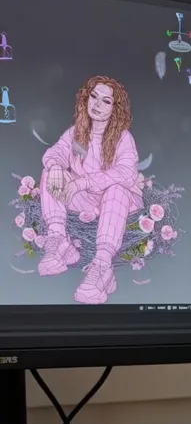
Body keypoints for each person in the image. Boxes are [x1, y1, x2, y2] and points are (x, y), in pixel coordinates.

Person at [38, 75, 143, 304]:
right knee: (51, 172)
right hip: (85, 201)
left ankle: (102, 266)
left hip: (117, 204)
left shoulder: (123, 138)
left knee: (116, 189)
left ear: (115, 108)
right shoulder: (77, 133)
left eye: (106, 101)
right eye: (93, 97)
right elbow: (56, 152)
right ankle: (58, 240)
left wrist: (84, 182)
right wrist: (55, 165)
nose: (97, 104)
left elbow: (125, 173)